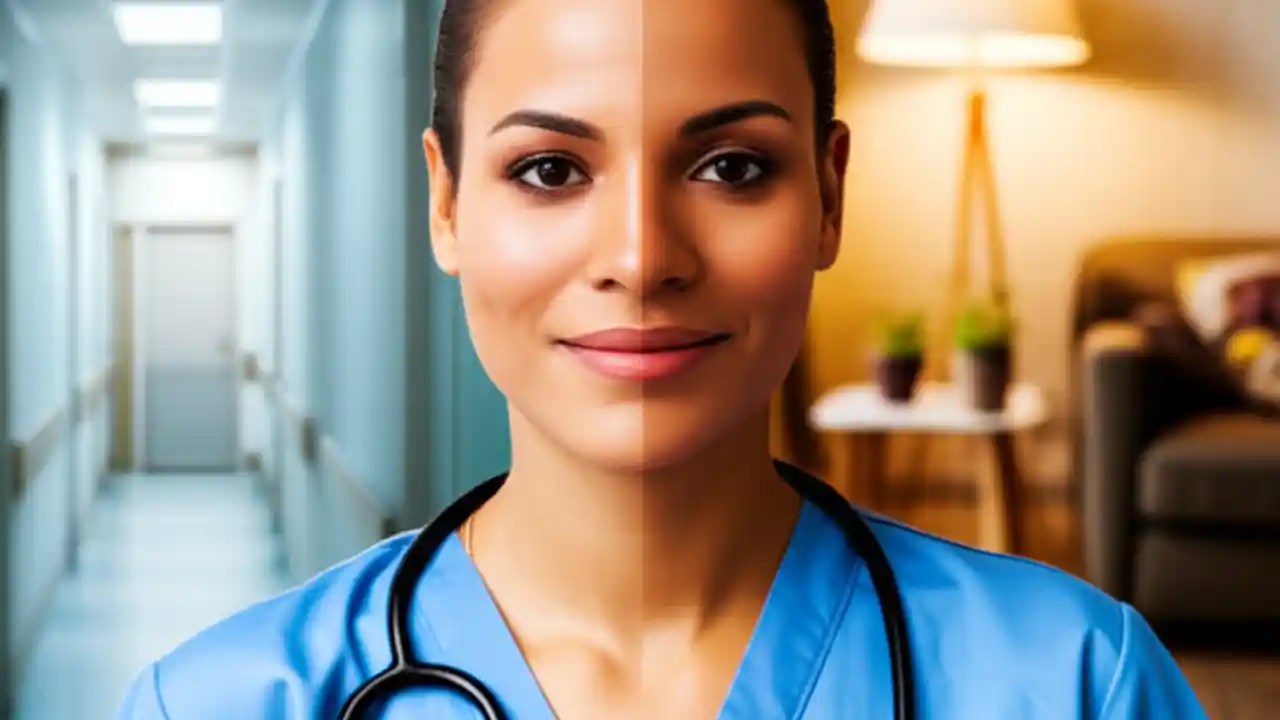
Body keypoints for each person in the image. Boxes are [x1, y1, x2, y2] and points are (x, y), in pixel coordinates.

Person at [116, 0, 1208, 717]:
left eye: (731, 166)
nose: (641, 259)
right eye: (549, 170)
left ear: (828, 197)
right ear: (444, 204)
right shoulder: (220, 698)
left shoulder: (1075, 682)